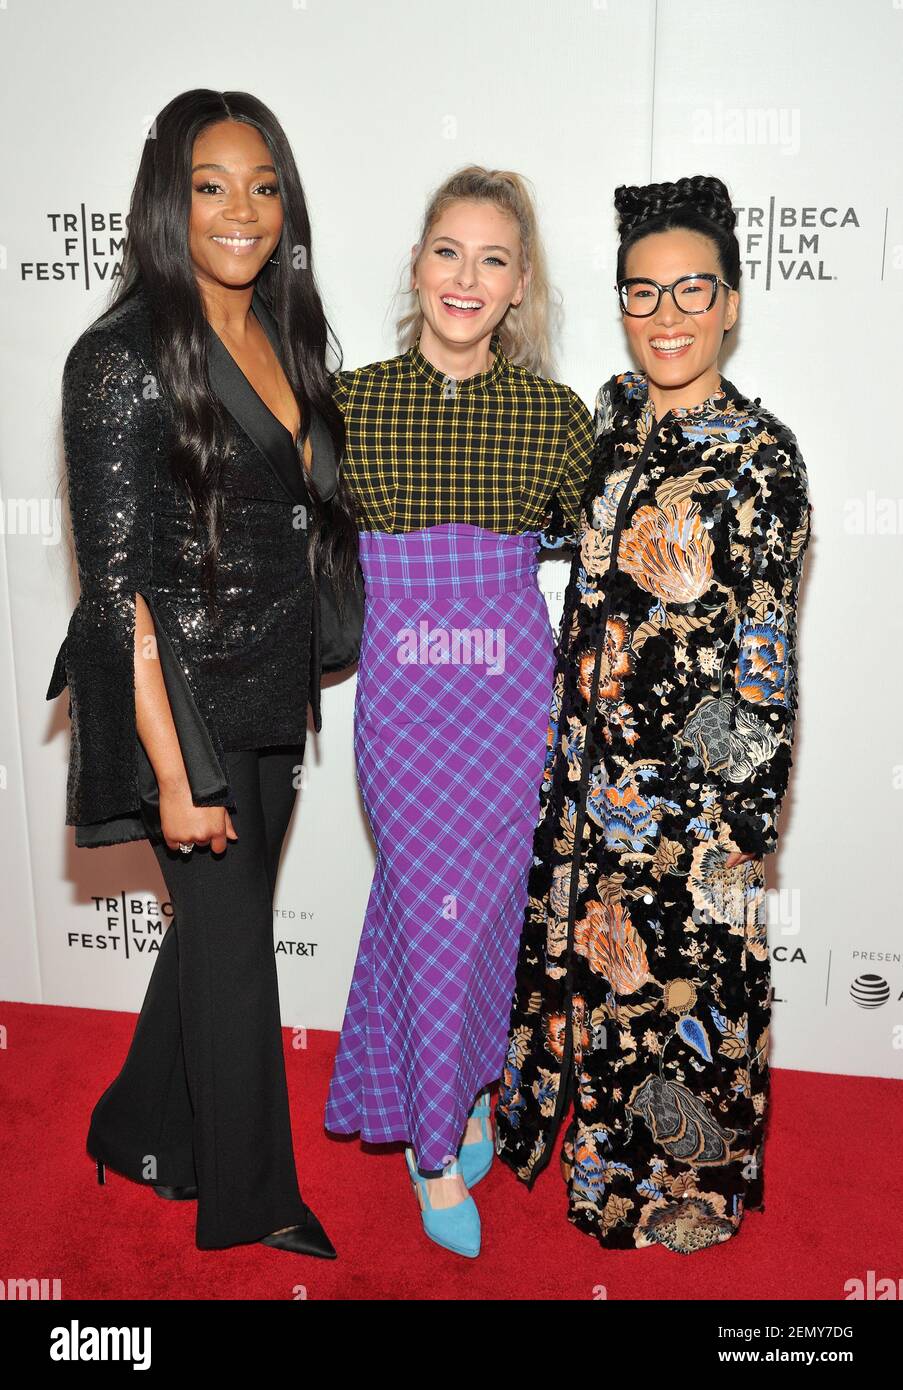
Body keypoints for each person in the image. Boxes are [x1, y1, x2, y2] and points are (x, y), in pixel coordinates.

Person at [45, 89, 358, 1256]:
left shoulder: (281, 329)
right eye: (212, 185)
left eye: (264, 185)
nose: (242, 211)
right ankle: (254, 1195)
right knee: (234, 955)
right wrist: (173, 774)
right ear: (168, 200)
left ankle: (136, 1121)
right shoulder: (117, 357)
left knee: (210, 935)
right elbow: (114, 588)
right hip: (178, 699)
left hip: (272, 684)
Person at [495, 174, 812, 1254]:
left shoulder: (763, 460)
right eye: (643, 292)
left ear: (730, 300)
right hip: (587, 778)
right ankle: (574, 1144)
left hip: (693, 803)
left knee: (679, 1003)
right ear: (620, 301)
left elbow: (765, 664)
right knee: (591, 975)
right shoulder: (609, 419)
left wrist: (731, 833)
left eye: (692, 291)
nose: (667, 316)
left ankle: (666, 1191)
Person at [323, 167, 595, 1257]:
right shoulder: (353, 402)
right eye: (448, 251)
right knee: (423, 902)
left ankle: (470, 1085)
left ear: (520, 283)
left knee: (480, 917)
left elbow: (585, 561)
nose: (466, 277)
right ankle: (434, 1148)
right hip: (402, 693)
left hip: (506, 695)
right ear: (419, 263)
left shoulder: (556, 417)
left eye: (492, 258)